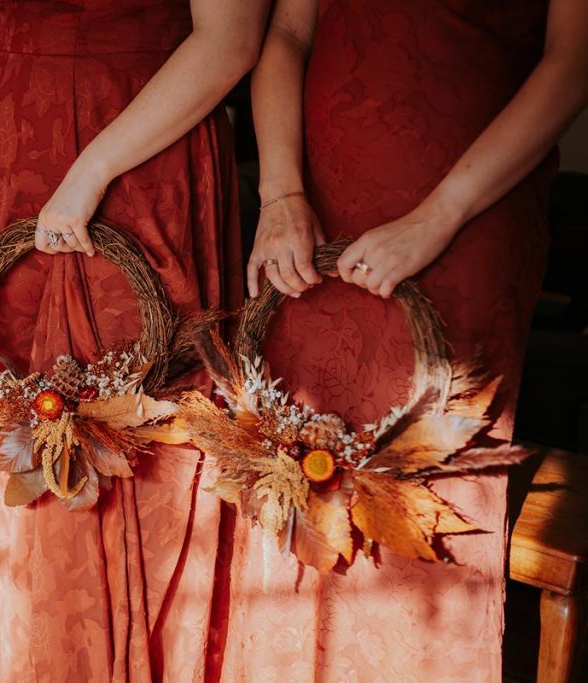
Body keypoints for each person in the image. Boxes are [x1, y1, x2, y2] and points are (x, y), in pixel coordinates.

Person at [232, 0, 588, 679]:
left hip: (468, 214)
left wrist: (439, 216)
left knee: (423, 499)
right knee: (294, 467)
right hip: (316, 205)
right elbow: (286, 30)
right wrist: (280, 193)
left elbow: (573, 64)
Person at [0, 1, 268, 679]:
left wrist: (92, 170)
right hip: (21, 155)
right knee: (27, 415)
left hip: (142, 156)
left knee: (140, 422)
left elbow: (231, 41)